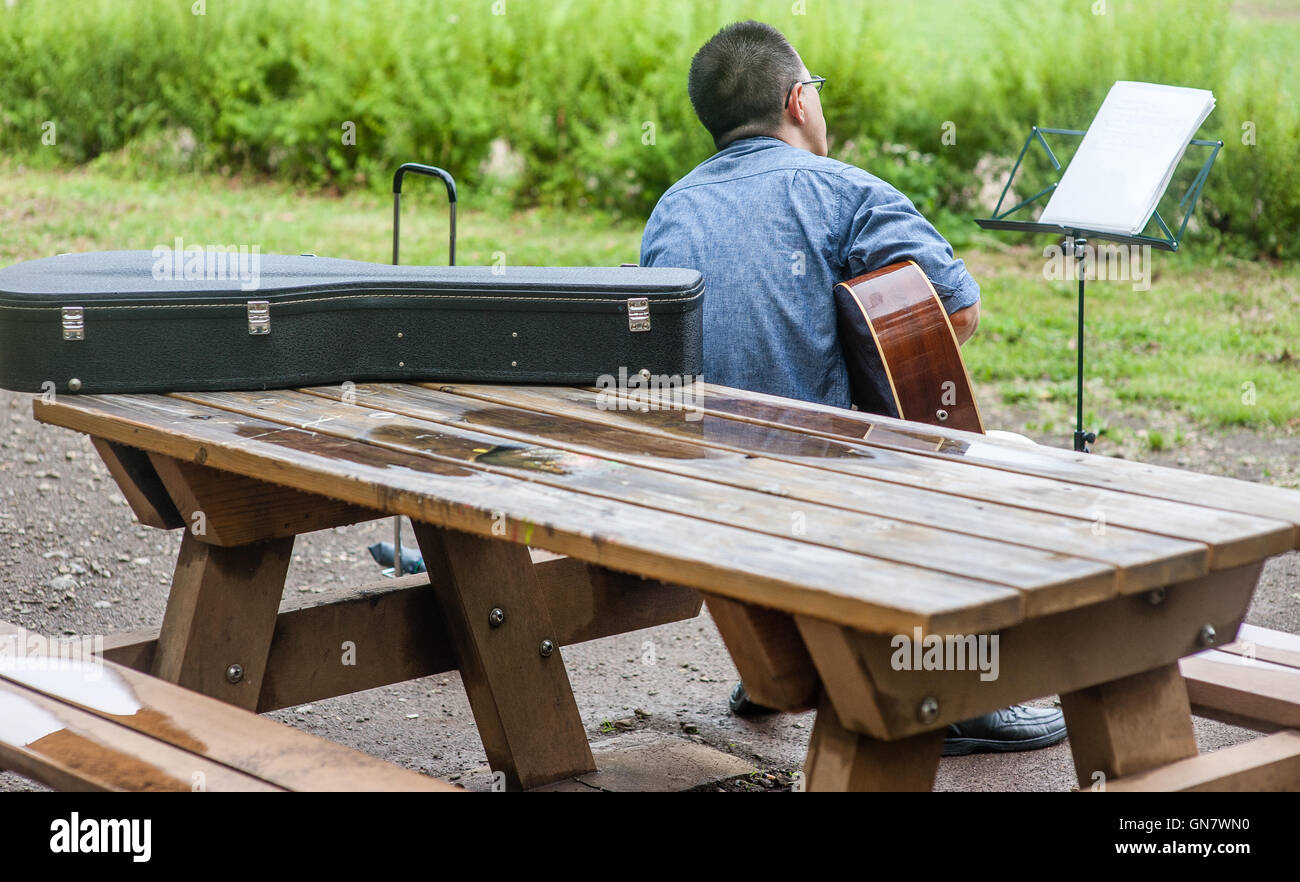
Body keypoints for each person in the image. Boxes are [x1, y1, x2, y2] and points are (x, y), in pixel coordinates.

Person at [639, 19, 1066, 756]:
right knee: (1015, 458)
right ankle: (954, 690)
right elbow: (958, 310)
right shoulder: (843, 190)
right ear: (799, 100)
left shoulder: (672, 209)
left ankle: (772, 656)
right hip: (828, 497)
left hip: (706, 501)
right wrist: (882, 371)